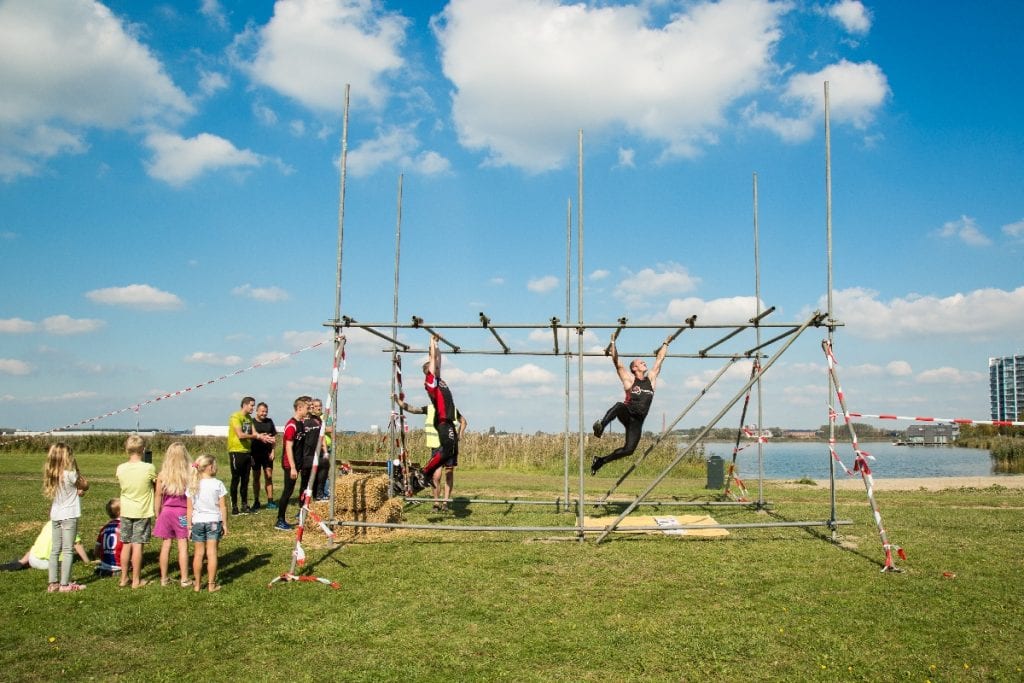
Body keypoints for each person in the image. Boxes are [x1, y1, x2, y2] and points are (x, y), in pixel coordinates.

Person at [590, 339, 669, 475]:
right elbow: (617, 363)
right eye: (641, 362)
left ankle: (600, 461)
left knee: (629, 450)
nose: (644, 363)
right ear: (634, 368)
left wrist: (666, 343)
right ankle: (600, 427)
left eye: (644, 362)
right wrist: (613, 343)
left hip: (637, 422)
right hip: (627, 413)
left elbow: (660, 359)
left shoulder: (651, 379)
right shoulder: (630, 380)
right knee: (619, 405)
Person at [394, 393, 468, 511]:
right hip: (436, 447)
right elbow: (413, 409)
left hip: (450, 446)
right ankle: (436, 503)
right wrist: (398, 401)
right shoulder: (430, 408)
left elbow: (463, 421)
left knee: (449, 474)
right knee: (436, 476)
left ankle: (445, 503)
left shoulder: (452, 410)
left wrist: (460, 434)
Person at [42, 442, 89, 592]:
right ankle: (64, 584)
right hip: (69, 515)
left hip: (56, 514)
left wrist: (77, 491)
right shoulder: (70, 474)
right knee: (68, 550)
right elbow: (85, 485)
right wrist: (78, 470)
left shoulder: (52, 474)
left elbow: (73, 490)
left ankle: (53, 582)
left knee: (55, 549)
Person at [421, 335, 461, 504]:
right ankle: (425, 472)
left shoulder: (440, 380)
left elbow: (438, 359)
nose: (438, 366)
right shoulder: (431, 382)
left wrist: (438, 345)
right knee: (446, 450)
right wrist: (431, 342)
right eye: (435, 367)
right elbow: (432, 358)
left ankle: (427, 473)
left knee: (450, 451)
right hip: (443, 421)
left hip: (449, 421)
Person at [116, 433, 157, 589]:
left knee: (126, 544)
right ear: (143, 449)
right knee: (138, 545)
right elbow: (155, 483)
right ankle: (136, 580)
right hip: (142, 511)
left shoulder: (121, 468)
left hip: (126, 510)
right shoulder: (148, 468)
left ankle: (124, 578)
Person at [186, 454, 228, 593]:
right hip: (214, 522)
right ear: (210, 467)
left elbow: (190, 508)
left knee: (198, 554)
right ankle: (211, 584)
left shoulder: (193, 484)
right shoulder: (218, 484)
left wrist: (189, 526)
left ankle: (197, 584)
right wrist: (225, 523)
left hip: (198, 522)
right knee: (212, 553)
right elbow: (223, 507)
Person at [227, 396, 275, 515]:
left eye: (254, 405)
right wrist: (257, 436)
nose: (253, 407)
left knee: (245, 480)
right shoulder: (235, 417)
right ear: (244, 405)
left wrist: (264, 437)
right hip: (236, 451)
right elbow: (240, 435)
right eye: (251, 405)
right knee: (236, 479)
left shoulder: (248, 418)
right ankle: (234, 506)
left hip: (247, 452)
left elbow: (254, 433)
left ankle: (244, 505)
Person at [154, 442, 192, 587]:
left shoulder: (162, 475)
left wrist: (157, 513)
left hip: (166, 512)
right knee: (183, 545)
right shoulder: (188, 474)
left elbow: (158, 495)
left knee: (166, 545)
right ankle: (184, 579)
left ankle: (163, 578)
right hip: (182, 512)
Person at [274, 396, 309, 531]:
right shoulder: (291, 425)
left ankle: (301, 514)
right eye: (307, 407)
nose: (308, 410)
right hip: (290, 464)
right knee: (287, 492)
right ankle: (280, 520)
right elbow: (288, 447)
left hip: (299, 463)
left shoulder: (301, 423)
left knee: (300, 489)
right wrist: (293, 467)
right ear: (299, 408)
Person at [3, 521, 90, 572]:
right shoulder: (69, 525)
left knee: (37, 546)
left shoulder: (49, 523)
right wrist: (87, 561)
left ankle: (21, 562)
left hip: (32, 559)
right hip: (49, 564)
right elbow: (77, 545)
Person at [250, 401, 278, 511]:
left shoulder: (269, 422)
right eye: (262, 411)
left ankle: (270, 501)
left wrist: (273, 451)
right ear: (257, 411)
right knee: (256, 477)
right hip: (255, 454)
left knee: (269, 476)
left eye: (266, 412)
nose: (264, 413)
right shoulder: (252, 423)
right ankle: (256, 501)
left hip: (267, 454)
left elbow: (274, 439)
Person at [94, 498, 122, 577]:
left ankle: (106, 570)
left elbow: (96, 551)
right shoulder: (124, 527)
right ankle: (118, 571)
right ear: (120, 512)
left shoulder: (104, 528)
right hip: (120, 563)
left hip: (105, 564)